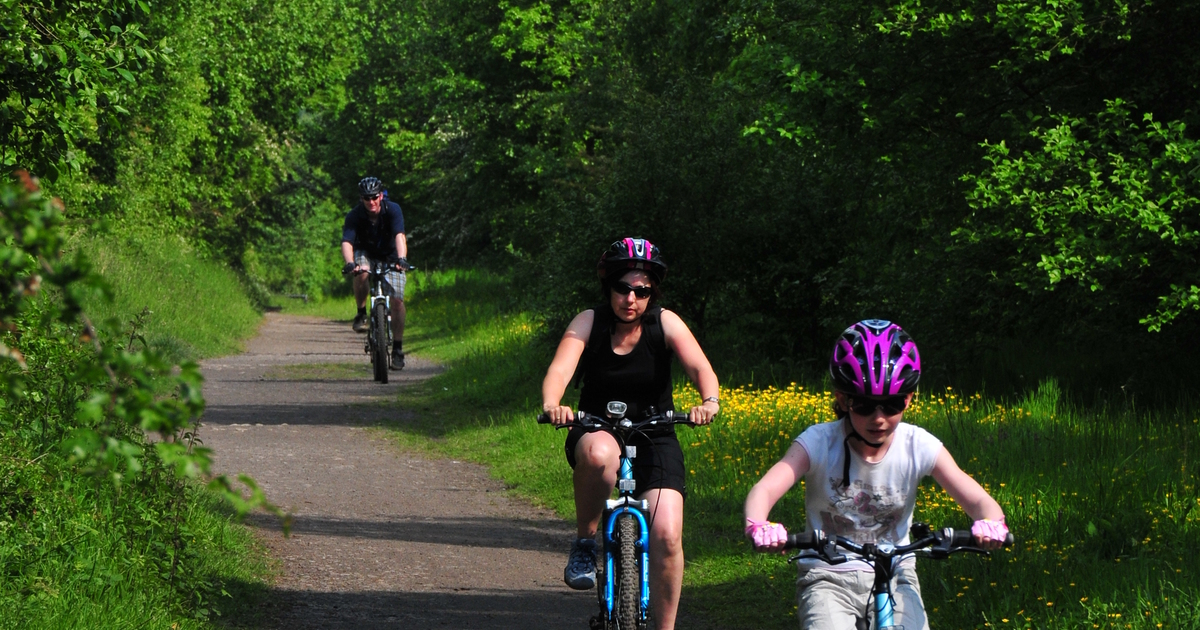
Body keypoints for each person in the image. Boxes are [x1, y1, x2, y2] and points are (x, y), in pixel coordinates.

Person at [743, 320, 1008, 630]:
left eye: (892, 405)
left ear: (908, 399)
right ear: (843, 400)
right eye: (865, 405)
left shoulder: (918, 445)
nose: (879, 419)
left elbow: (976, 497)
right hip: (827, 574)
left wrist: (990, 522)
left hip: (897, 574)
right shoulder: (818, 442)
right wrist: (759, 525)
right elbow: (764, 489)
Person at [541, 238, 720, 630]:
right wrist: (554, 404)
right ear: (609, 287)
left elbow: (701, 368)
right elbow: (560, 370)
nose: (631, 298)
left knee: (668, 536)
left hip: (656, 432)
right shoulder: (589, 321)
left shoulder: (665, 322)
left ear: (652, 293)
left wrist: (709, 401)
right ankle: (586, 544)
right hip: (596, 426)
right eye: (623, 288)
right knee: (599, 454)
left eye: (642, 291)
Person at [340, 176, 409, 369]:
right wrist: (350, 263)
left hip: (391, 255)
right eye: (366, 198)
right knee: (361, 273)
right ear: (361, 199)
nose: (371, 202)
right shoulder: (354, 215)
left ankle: (397, 349)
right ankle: (361, 313)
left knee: (396, 300)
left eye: (374, 197)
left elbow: (399, 235)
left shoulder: (393, 210)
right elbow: (347, 242)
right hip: (366, 252)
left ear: (381, 196)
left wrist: (402, 259)